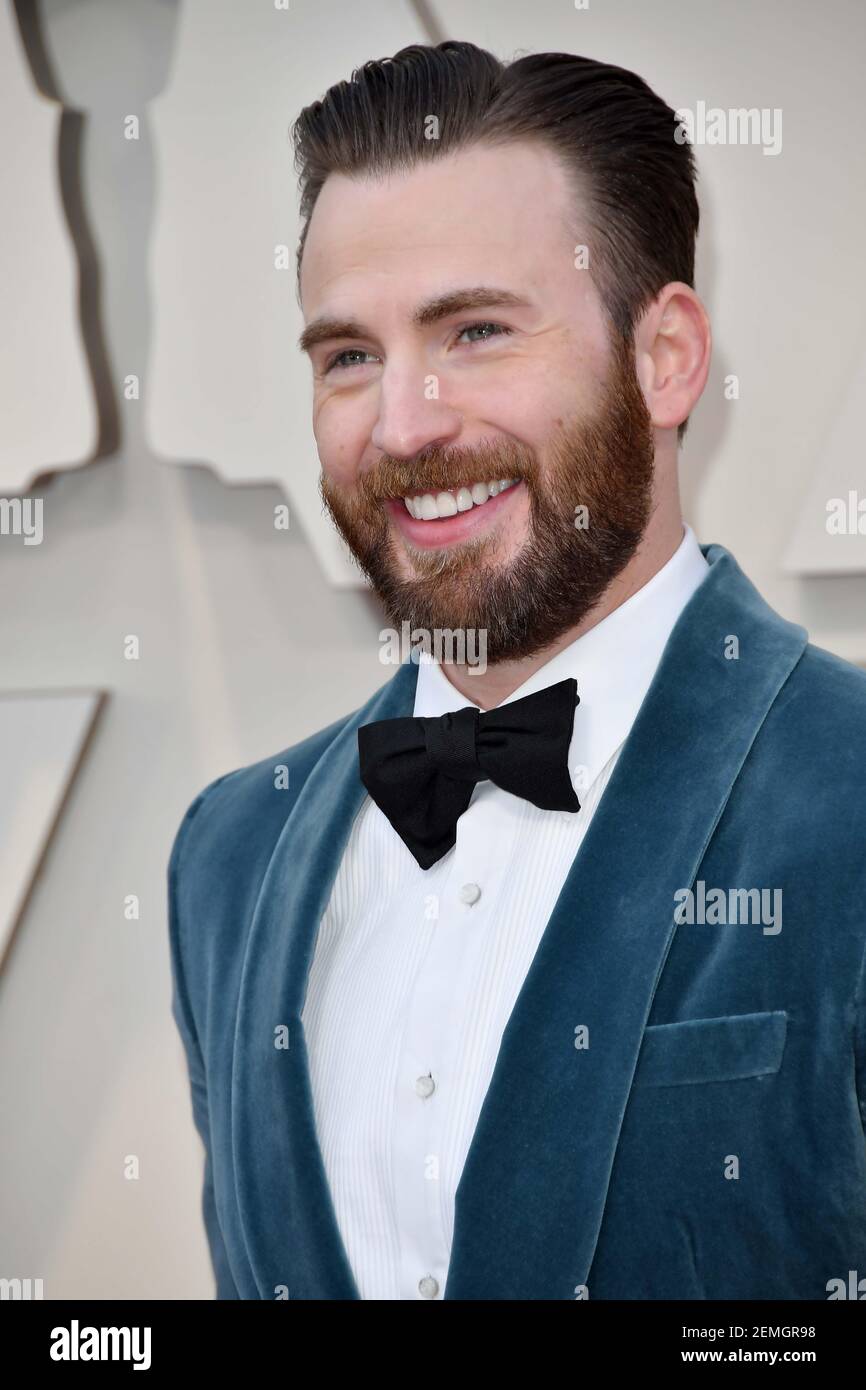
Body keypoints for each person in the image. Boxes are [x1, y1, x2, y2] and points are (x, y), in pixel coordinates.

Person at [167, 41, 866, 1300]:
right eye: (346, 356)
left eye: (476, 329)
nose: (403, 424)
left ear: (664, 357)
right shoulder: (224, 854)